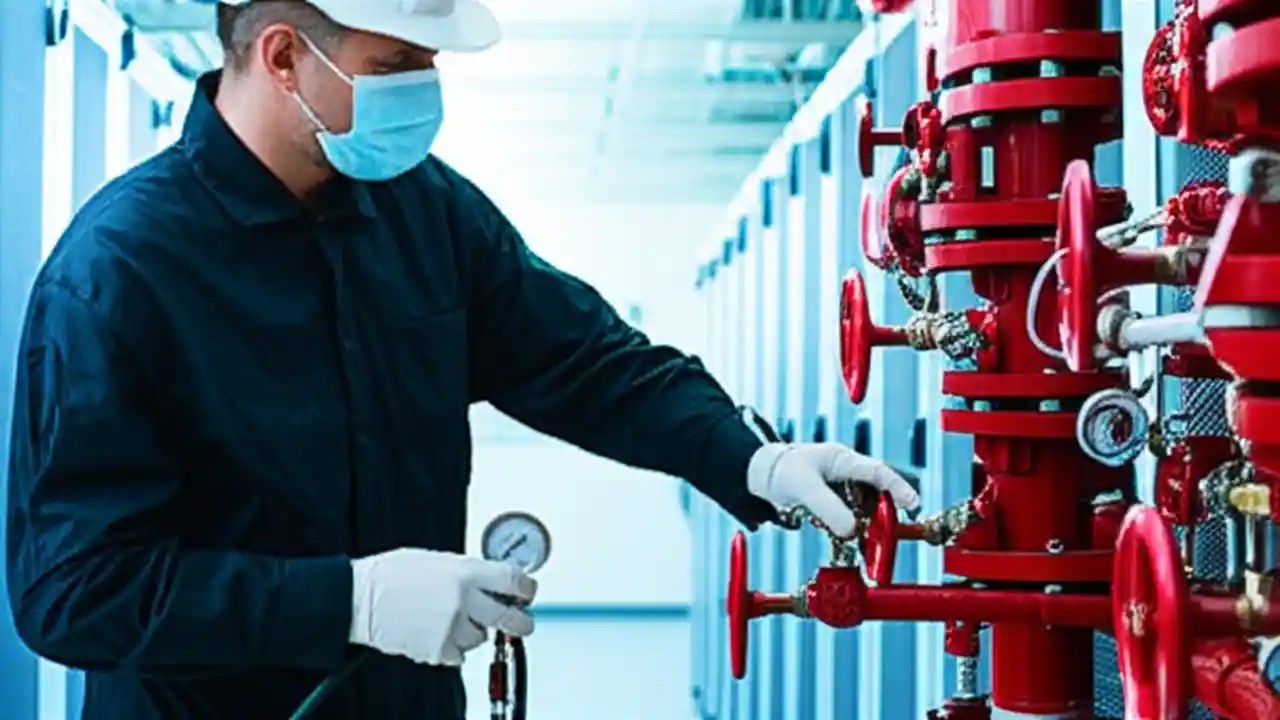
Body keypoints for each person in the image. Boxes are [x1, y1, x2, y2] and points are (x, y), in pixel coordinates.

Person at [5, 0, 920, 717]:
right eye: (397, 65)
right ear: (284, 57)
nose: (423, 92)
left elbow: (589, 363)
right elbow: (76, 591)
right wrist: (349, 602)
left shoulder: (424, 212)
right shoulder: (118, 272)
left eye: (429, 66)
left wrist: (752, 458)